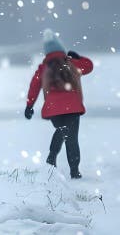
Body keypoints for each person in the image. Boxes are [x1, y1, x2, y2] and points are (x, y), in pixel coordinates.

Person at [25, 30, 93, 179]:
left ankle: (52, 155)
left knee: (63, 130)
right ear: (61, 48)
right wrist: (77, 57)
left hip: (54, 110)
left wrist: (29, 106)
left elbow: (34, 86)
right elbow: (89, 66)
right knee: (71, 138)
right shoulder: (72, 63)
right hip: (73, 108)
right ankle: (74, 171)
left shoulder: (43, 69)